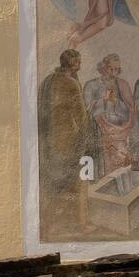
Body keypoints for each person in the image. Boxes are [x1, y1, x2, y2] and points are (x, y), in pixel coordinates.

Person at [38, 49, 95, 233]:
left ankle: (48, 223)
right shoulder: (71, 83)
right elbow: (81, 116)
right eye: (79, 62)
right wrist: (88, 140)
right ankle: (82, 223)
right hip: (68, 141)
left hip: (49, 141)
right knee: (81, 180)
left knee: (51, 182)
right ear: (74, 64)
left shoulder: (47, 81)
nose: (80, 65)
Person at [84, 53, 134, 174]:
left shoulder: (122, 84)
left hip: (120, 130)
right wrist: (104, 101)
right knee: (105, 164)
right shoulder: (91, 85)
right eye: (110, 68)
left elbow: (130, 108)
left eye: (116, 69)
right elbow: (86, 108)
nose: (113, 72)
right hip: (100, 130)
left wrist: (115, 102)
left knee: (122, 164)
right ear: (103, 68)